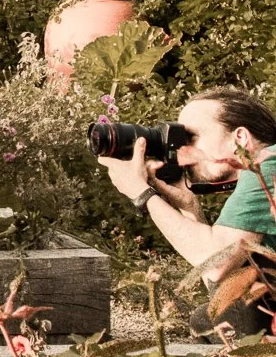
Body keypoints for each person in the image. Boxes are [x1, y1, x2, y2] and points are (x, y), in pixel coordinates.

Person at [98, 86, 276, 296]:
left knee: (237, 316)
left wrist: (141, 192)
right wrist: (189, 207)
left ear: (239, 138)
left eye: (190, 138)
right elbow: (219, 278)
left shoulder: (267, 166)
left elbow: (217, 264)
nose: (182, 150)